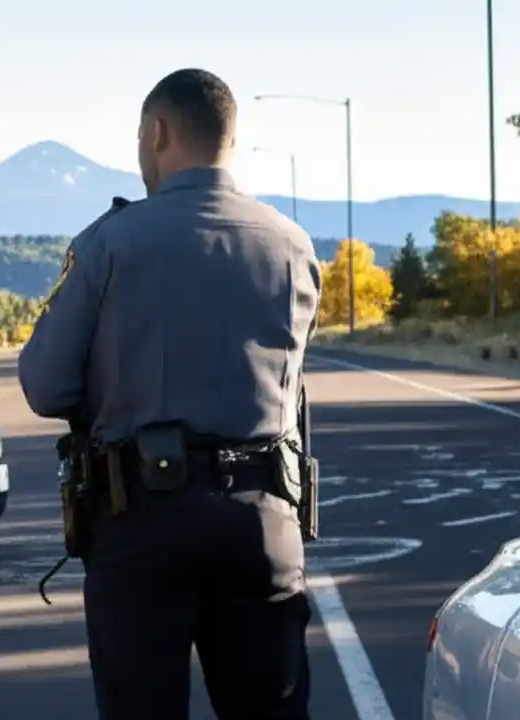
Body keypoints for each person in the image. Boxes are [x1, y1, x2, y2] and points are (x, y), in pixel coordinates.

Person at [17, 68, 322, 719]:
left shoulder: (111, 242)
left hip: (142, 520)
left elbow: (45, 387)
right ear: (231, 139)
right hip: (264, 516)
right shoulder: (293, 245)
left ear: (156, 134)